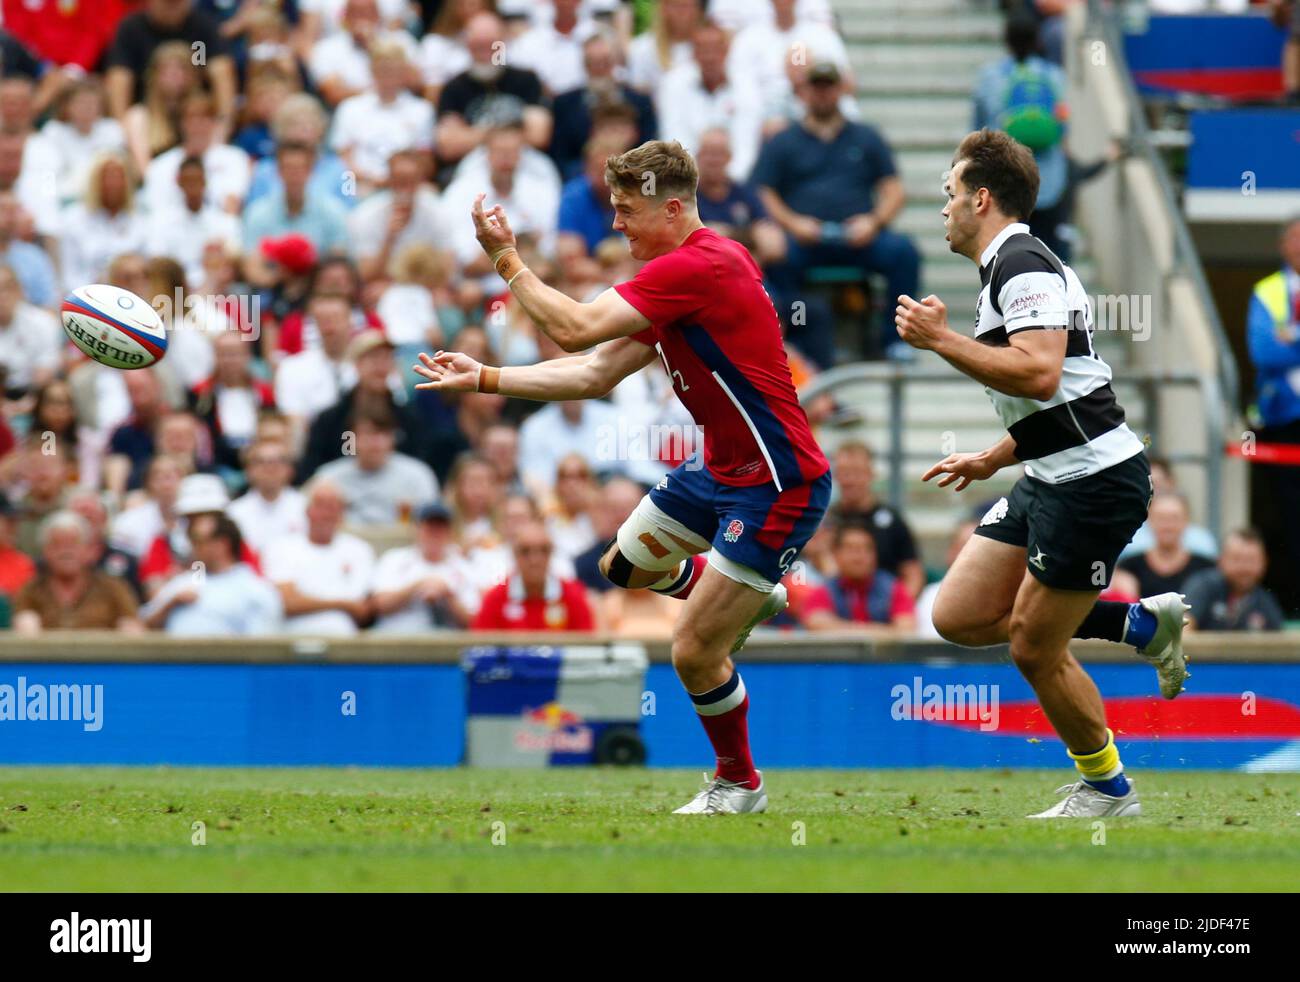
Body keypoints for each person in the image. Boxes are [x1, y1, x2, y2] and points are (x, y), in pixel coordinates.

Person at [414, 139, 831, 814]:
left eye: (625, 209)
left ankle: (738, 784)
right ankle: (746, 596)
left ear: (671, 209)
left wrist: (506, 260)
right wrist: (487, 377)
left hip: (776, 481)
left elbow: (575, 330)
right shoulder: (688, 277)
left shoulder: (700, 266)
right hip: (720, 472)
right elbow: (595, 373)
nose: (615, 224)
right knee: (621, 566)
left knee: (694, 650)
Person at [894, 128, 1189, 819]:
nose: (944, 208)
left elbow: (1040, 370)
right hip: (1050, 473)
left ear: (982, 199)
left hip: (1094, 481)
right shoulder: (1006, 267)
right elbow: (1062, 391)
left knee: (1033, 645)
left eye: (950, 194)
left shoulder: (1021, 262)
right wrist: (994, 455)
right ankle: (1138, 628)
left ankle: (1108, 789)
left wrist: (939, 341)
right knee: (958, 615)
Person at [756, 60, 919, 362]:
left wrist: (874, 221)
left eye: (828, 86)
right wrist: (793, 224)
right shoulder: (784, 140)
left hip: (858, 236)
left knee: (904, 253)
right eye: (815, 86)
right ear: (803, 92)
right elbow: (764, 191)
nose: (822, 93)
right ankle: (799, 338)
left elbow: (894, 190)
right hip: (806, 238)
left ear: (841, 89)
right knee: (776, 259)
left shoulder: (866, 137)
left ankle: (895, 340)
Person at [1246, 214, 1300, 616]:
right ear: (1283, 245)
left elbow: (1282, 348)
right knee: (1287, 517)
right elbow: (1265, 352)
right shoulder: (1268, 292)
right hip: (1282, 423)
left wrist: (1292, 337)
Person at [262, 478, 375, 636]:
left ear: (342, 514)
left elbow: (363, 611)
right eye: (321, 505)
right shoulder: (281, 547)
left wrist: (308, 601)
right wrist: (344, 604)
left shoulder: (360, 550)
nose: (327, 513)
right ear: (307, 511)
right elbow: (286, 603)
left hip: (346, 643)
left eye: (334, 506)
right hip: (290, 643)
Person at [142, 513, 283, 635]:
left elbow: (261, 645)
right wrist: (171, 604)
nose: (193, 548)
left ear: (222, 544)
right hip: (173, 664)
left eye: (199, 541)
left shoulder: (255, 589)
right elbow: (143, 623)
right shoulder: (183, 583)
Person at [12, 511, 142, 634]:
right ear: (45, 551)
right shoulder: (30, 591)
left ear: (88, 550)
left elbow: (134, 629)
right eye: (57, 545)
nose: (65, 552)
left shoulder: (113, 589)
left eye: (73, 544)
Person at [311, 402, 440, 525]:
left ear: (393, 438)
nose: (375, 443)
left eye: (382, 434)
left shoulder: (418, 476)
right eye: (367, 434)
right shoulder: (328, 478)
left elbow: (433, 524)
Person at [828, 442, 925, 598]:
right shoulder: (826, 520)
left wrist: (899, 607)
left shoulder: (892, 521)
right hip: (835, 605)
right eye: (843, 473)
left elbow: (913, 573)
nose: (850, 480)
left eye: (857, 472)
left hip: (884, 606)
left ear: (871, 474)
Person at [370, 502, 478, 632]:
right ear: (416, 529)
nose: (435, 533)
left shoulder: (463, 567)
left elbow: (473, 621)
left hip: (447, 646)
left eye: (440, 528)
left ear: (450, 532)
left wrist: (447, 595)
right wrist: (417, 587)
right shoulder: (394, 559)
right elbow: (379, 605)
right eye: (429, 527)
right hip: (396, 640)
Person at [471, 519, 595, 630]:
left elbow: (586, 648)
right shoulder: (496, 598)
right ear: (514, 554)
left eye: (543, 550)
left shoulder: (573, 595)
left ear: (552, 553)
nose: (535, 560)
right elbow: (480, 648)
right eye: (525, 551)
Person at [797, 521, 917, 633]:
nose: (859, 557)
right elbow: (817, 624)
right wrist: (885, 632)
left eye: (866, 549)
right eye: (851, 549)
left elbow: (906, 628)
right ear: (836, 554)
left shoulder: (893, 589)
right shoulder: (824, 591)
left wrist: (844, 629)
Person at [1184, 529, 1285, 632]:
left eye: (1251, 560)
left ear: (1264, 563)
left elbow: (1277, 643)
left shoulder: (1267, 604)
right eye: (1237, 559)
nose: (1244, 567)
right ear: (1221, 560)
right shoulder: (1203, 586)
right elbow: (1183, 629)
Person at [1116, 493, 1216, 598]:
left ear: (1187, 520)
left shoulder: (1206, 568)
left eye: (1174, 518)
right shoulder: (1128, 568)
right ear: (1149, 521)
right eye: (1161, 518)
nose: (1167, 526)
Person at [227, 437, 308, 553]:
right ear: (248, 470)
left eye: (278, 462)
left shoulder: (306, 507)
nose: (270, 468)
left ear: (290, 469)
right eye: (261, 462)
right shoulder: (233, 514)